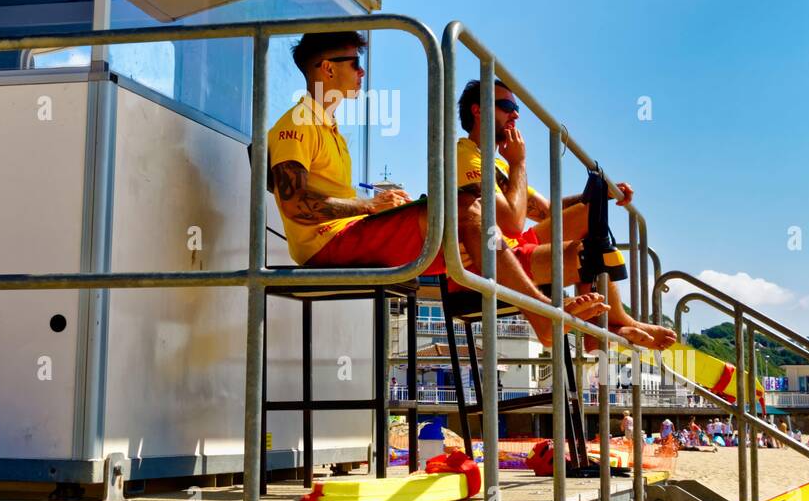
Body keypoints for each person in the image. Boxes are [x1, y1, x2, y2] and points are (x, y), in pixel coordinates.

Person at [268, 32, 611, 329]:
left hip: (349, 236)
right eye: (355, 63)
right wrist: (370, 205)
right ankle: (543, 317)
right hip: (327, 246)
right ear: (328, 68)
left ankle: (569, 317)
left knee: (470, 229)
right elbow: (296, 205)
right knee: (465, 210)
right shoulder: (297, 124)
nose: (362, 71)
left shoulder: (327, 127)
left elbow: (537, 211)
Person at [451, 78, 677, 351]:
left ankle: (608, 322)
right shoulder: (465, 155)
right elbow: (511, 222)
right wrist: (519, 163)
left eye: (517, 106)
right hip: (491, 257)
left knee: (590, 214)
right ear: (478, 111)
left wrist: (599, 194)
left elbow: (547, 211)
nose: (516, 114)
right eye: (506, 106)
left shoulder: (497, 162)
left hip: (513, 248)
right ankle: (611, 323)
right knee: (585, 253)